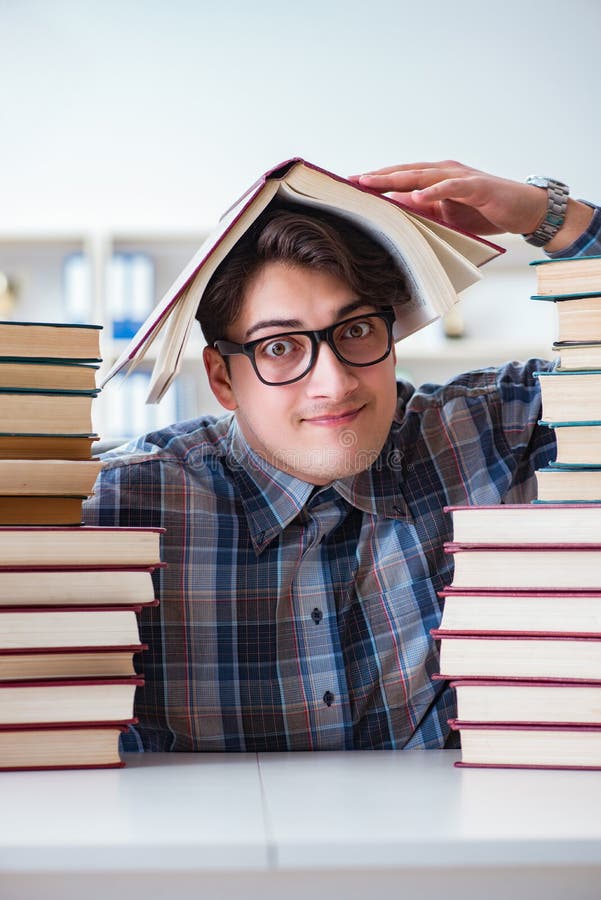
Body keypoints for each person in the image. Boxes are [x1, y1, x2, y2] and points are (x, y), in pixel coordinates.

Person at [83, 160, 601, 752]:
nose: (335, 383)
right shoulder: (123, 505)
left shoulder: (481, 432)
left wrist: (549, 217)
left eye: (355, 331)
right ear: (223, 380)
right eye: (280, 347)